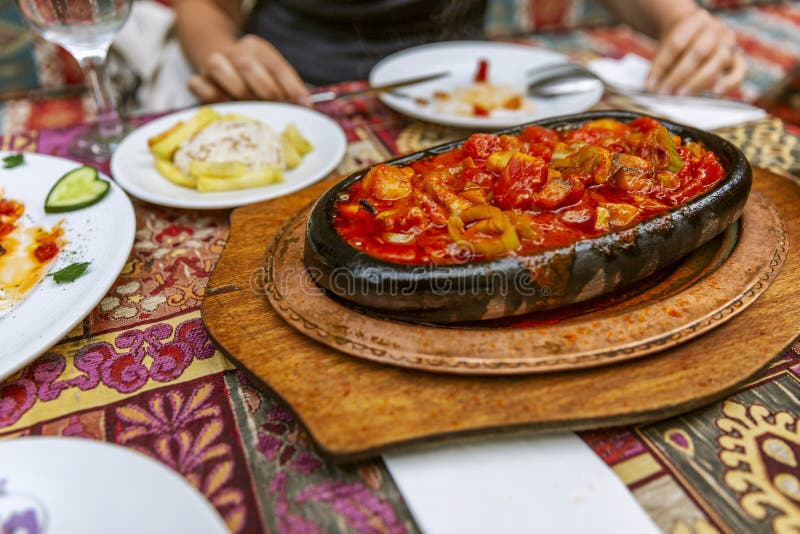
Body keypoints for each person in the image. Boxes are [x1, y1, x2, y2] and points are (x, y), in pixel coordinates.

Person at [174, 0, 747, 104]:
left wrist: (683, 20)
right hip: (300, 89)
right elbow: (205, 8)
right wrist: (225, 53)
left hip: (464, 92)